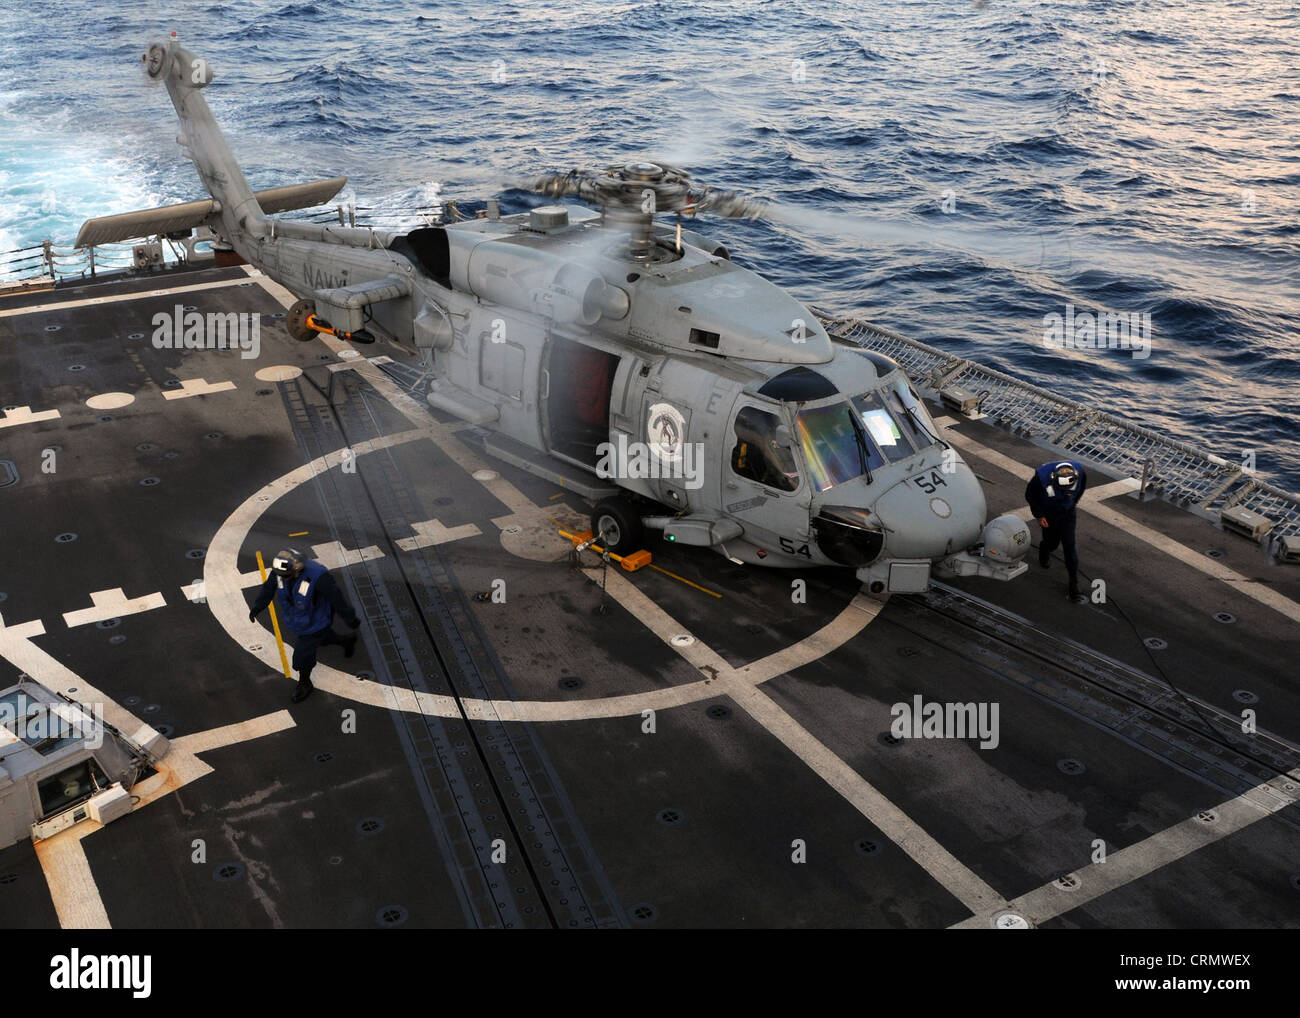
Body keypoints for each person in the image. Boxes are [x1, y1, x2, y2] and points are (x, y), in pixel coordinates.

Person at [249, 549, 360, 702]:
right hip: (299, 620)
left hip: (316, 622)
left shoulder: (318, 576)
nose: (281, 578)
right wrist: (258, 606)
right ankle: (346, 641)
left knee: (302, 655)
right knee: (323, 639)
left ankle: (305, 683)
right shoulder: (281, 571)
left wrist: (350, 618)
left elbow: (336, 598)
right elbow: (269, 587)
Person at [1025, 460, 1088, 599]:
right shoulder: (1041, 478)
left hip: (1067, 513)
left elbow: (1081, 488)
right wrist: (1039, 515)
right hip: (1049, 513)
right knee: (1051, 543)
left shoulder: (1080, 472)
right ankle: (1045, 548)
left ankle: (1074, 583)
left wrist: (1073, 504)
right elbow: (1030, 495)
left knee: (1069, 546)